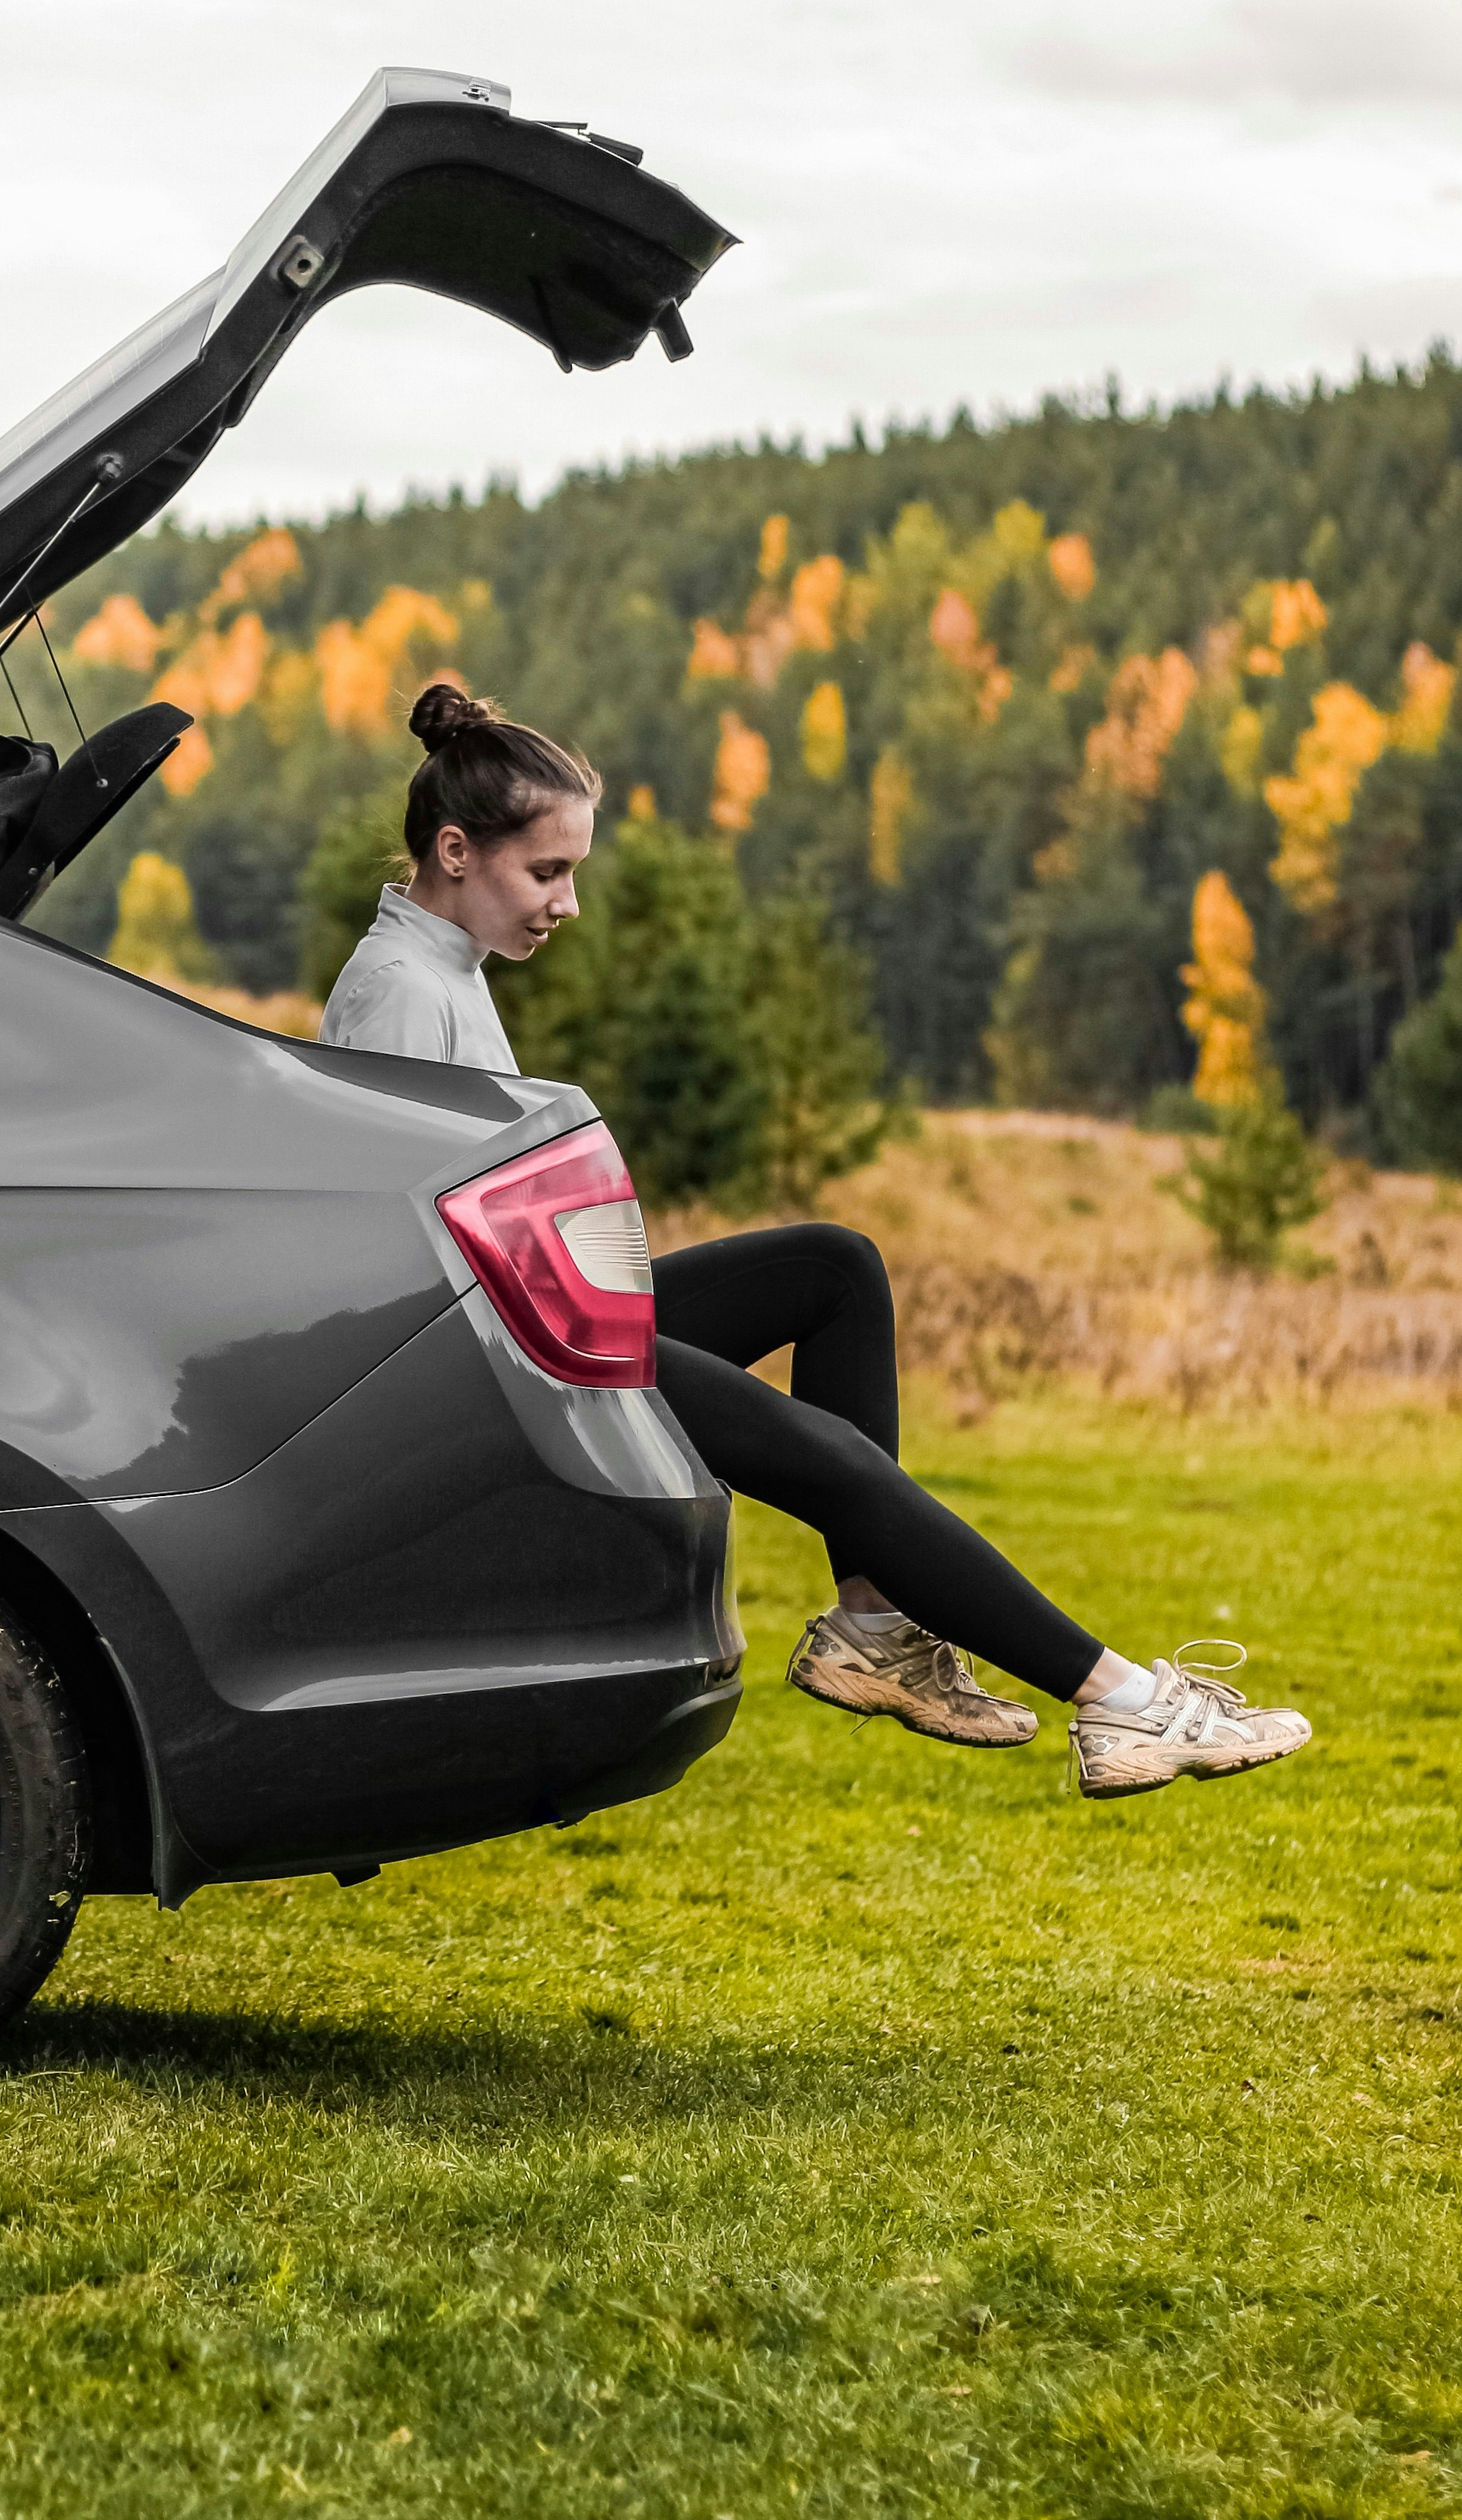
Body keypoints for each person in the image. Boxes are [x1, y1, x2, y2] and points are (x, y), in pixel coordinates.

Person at [322, 682, 1312, 1800]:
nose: (570, 905)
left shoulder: (440, 972)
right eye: (548, 873)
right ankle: (1126, 1706)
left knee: (833, 1271)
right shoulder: (402, 993)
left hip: (539, 1320)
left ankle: (876, 1628)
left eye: (574, 874)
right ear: (455, 850)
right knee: (834, 1465)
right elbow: (404, 1255)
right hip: (499, 1368)